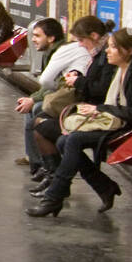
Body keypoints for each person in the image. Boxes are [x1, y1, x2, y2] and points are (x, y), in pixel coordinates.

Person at [28, 29, 132, 216]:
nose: (108, 51)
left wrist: (99, 109)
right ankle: (104, 186)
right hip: (118, 121)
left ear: (129, 51)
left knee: (73, 139)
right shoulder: (122, 70)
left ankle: (54, 197)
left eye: (113, 48)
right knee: (62, 140)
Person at [30, 17, 115, 185]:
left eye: (82, 40)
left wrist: (78, 82)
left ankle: (56, 186)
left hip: (100, 111)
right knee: (42, 125)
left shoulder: (105, 58)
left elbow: (102, 89)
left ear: (95, 36)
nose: (80, 45)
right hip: (92, 107)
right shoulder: (98, 55)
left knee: (59, 136)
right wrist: (78, 78)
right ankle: (55, 180)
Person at [13, 17, 92, 175]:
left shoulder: (61, 51)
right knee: (33, 110)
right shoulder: (53, 51)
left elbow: (48, 82)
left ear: (51, 38)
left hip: (74, 100)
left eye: (37, 36)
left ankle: (42, 164)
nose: (33, 39)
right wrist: (33, 98)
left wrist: (33, 99)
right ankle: (39, 162)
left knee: (36, 111)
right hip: (67, 96)